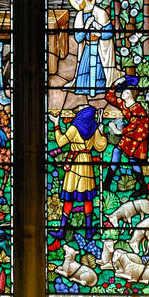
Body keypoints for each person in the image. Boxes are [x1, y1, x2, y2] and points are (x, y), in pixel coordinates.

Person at [51, 104, 107, 245]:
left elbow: (60, 142)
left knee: (69, 198)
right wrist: (102, 131)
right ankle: (88, 231)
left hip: (75, 164)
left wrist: (57, 125)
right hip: (86, 164)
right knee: (87, 198)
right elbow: (101, 146)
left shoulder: (74, 128)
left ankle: (62, 231)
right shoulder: (94, 128)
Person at [103, 75, 149, 196]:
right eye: (124, 90)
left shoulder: (137, 108)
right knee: (123, 155)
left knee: (130, 158)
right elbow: (109, 96)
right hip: (130, 135)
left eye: (127, 91)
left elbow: (134, 125)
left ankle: (108, 183)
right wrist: (116, 83)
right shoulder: (124, 105)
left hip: (138, 136)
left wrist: (118, 131)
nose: (123, 92)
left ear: (132, 95)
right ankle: (107, 183)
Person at [68, 0, 115, 93]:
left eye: (79, 0)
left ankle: (100, 90)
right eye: (76, 1)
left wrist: (99, 34)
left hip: (100, 50)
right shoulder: (79, 16)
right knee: (83, 76)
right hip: (88, 48)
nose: (78, 3)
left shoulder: (101, 13)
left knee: (99, 72)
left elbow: (109, 33)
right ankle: (85, 90)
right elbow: (78, 38)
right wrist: (86, 26)